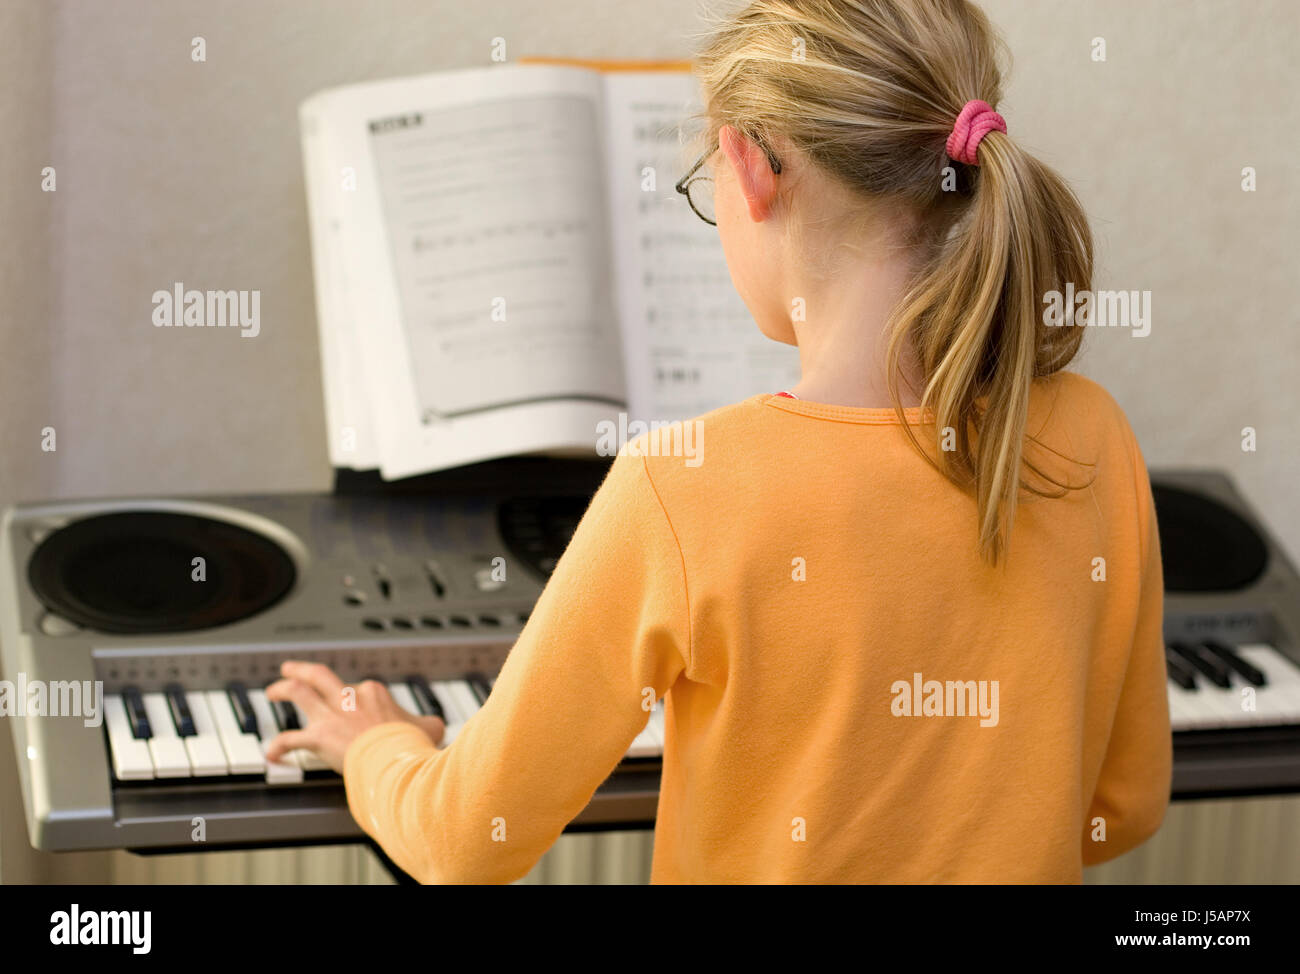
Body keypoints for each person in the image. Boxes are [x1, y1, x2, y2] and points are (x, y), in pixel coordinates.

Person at [266, 0, 1170, 883]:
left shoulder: (683, 487)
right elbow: (1122, 807)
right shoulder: (1093, 434)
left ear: (750, 166)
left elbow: (464, 845)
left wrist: (378, 745)